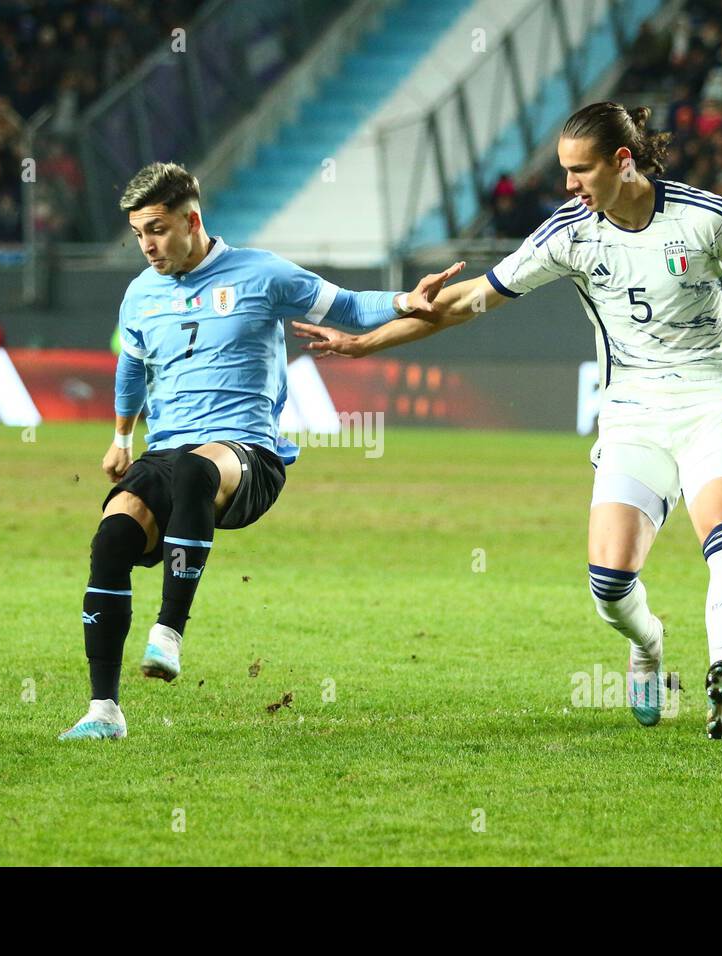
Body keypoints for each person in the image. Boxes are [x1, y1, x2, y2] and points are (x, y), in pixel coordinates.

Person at [294, 102, 722, 740]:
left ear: (622, 161)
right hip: (632, 416)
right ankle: (649, 647)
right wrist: (366, 341)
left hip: (717, 402)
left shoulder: (710, 217)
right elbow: (471, 301)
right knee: (610, 582)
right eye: (564, 170)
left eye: (580, 169)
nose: (569, 182)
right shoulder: (567, 234)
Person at [58, 162, 460, 740]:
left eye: (158, 229)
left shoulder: (262, 274)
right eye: (138, 233)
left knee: (198, 469)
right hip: (164, 453)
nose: (147, 245)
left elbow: (345, 307)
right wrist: (121, 438)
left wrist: (402, 300)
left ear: (192, 220)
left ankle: (168, 632)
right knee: (111, 538)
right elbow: (131, 366)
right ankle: (103, 712)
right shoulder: (140, 294)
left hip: (246, 456)